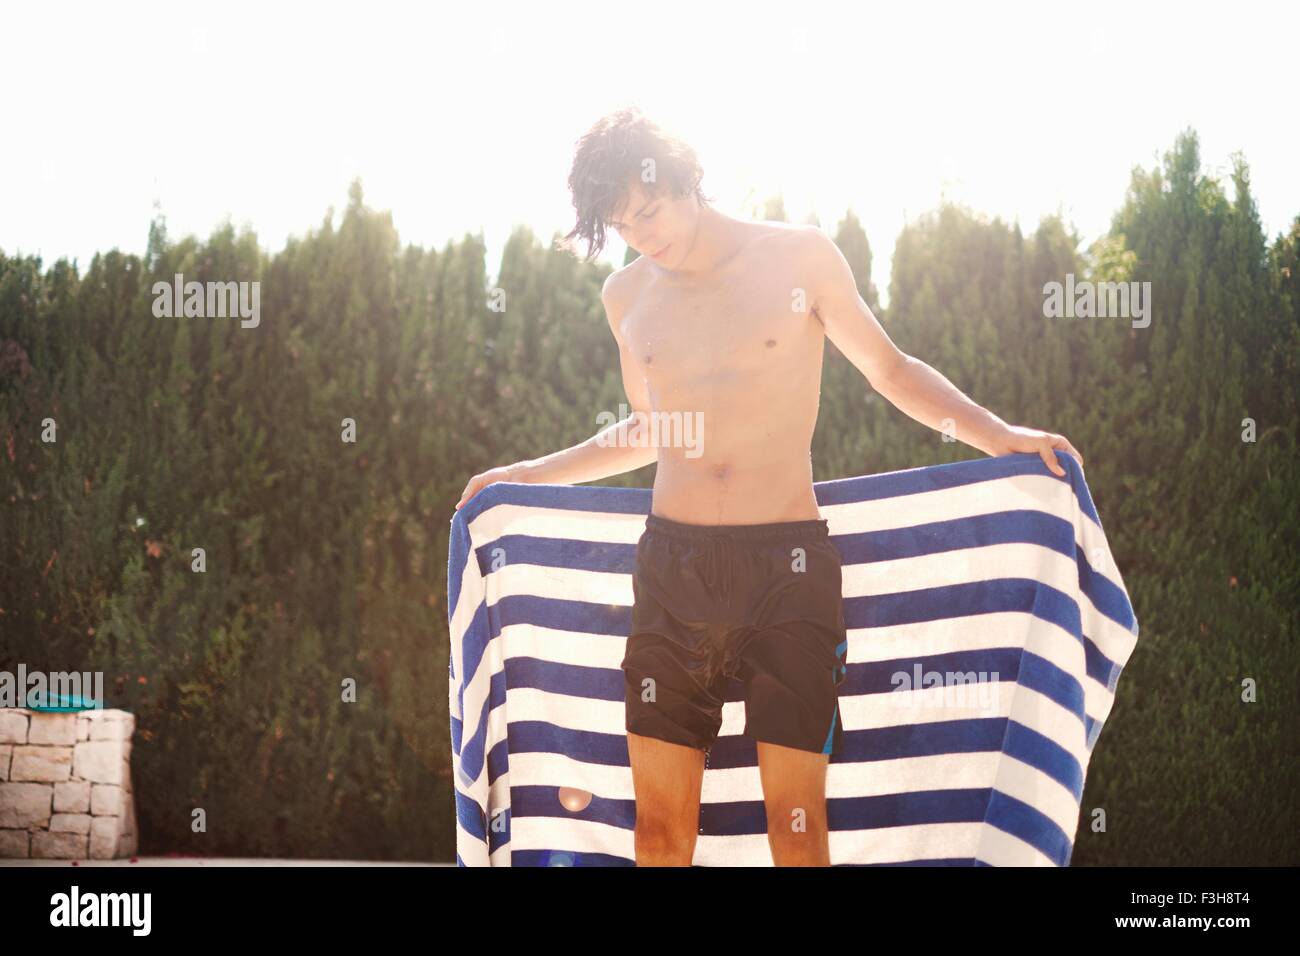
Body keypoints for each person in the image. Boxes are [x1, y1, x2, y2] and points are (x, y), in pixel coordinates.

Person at [455, 105, 1083, 866]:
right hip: (673, 575)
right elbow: (650, 430)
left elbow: (890, 369)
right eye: (623, 225)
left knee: (796, 824)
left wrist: (1000, 437)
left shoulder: (799, 259)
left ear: (686, 178)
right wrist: (526, 476)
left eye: (649, 210)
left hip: (788, 573)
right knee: (657, 832)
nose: (642, 233)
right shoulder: (625, 297)